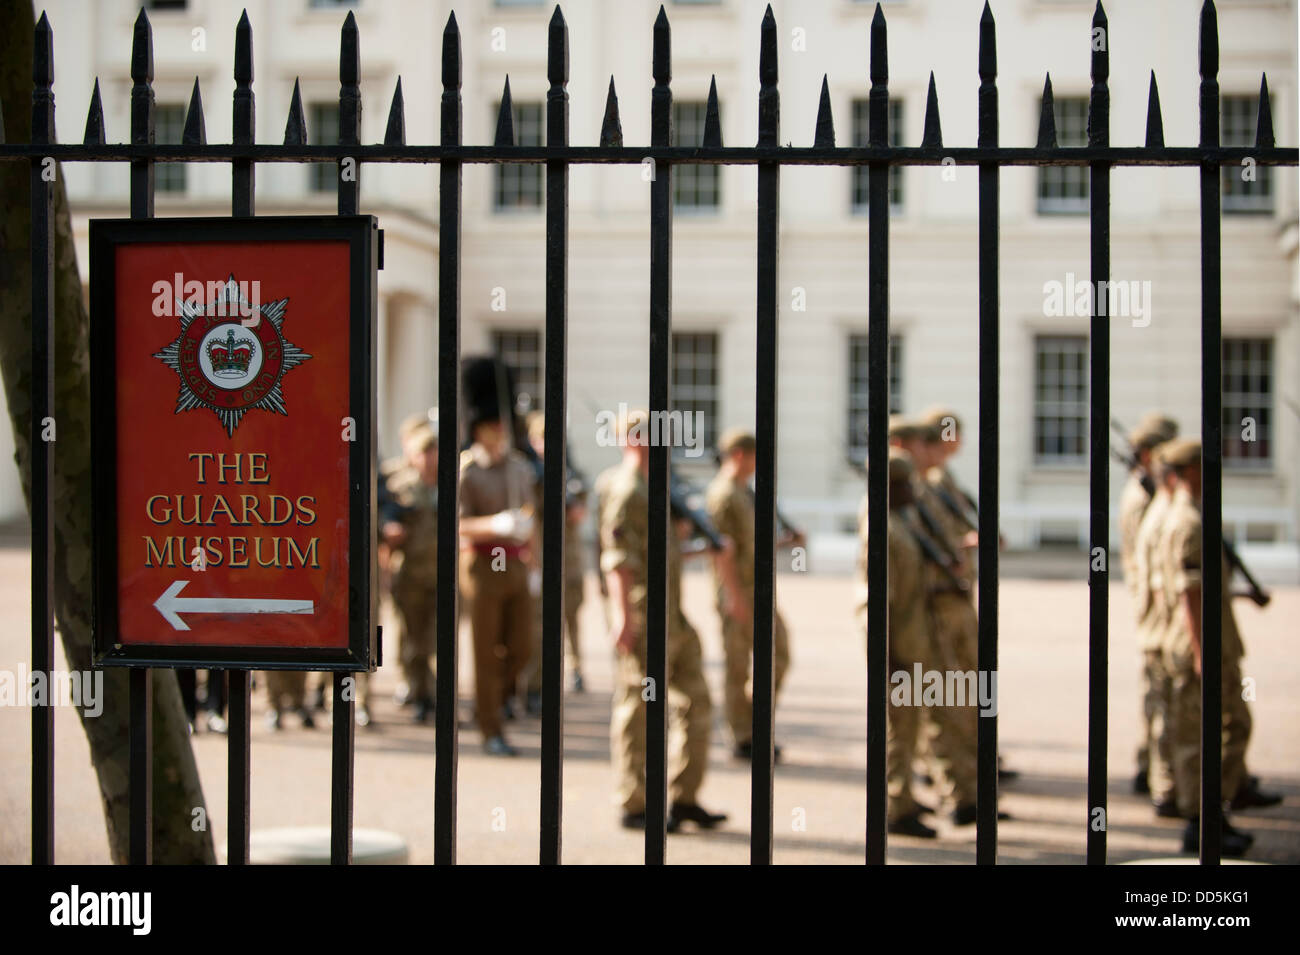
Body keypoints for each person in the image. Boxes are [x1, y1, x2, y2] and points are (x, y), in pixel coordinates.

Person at [601, 409, 727, 832]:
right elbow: (618, 561)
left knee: (696, 701)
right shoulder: (627, 491)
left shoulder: (658, 489)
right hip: (644, 614)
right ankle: (634, 801)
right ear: (633, 441)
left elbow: (664, 552)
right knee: (639, 705)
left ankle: (683, 795)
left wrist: (701, 546)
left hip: (672, 615)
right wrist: (623, 618)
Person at [1157, 437, 1277, 856]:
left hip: (1217, 639)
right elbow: (1190, 594)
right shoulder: (1188, 522)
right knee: (1197, 735)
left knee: (1232, 724)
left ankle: (1216, 809)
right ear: (1190, 471)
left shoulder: (1197, 516)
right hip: (1200, 645)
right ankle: (1200, 820)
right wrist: (1201, 652)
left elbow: (1208, 587)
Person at [857, 448, 977, 838]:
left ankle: (911, 799)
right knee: (900, 731)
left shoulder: (901, 522)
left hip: (919, 641)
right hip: (899, 648)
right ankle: (895, 807)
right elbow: (878, 600)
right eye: (905, 483)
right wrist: (886, 656)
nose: (913, 489)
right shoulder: (883, 529)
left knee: (923, 725)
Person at [458, 357, 538, 756]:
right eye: (494, 424)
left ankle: (501, 696)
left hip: (517, 564)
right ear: (479, 427)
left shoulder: (520, 467)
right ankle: (490, 727)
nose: (501, 430)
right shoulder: (466, 471)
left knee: (523, 647)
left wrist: (531, 553)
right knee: (485, 652)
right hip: (482, 565)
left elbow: (529, 515)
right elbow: (457, 525)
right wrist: (496, 525)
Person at [705, 428, 791, 760]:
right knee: (738, 666)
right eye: (756, 457)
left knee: (778, 656)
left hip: (758, 590)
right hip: (739, 591)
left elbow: (751, 541)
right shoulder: (724, 495)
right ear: (739, 455)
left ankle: (754, 723)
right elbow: (721, 551)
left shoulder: (744, 492)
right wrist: (733, 596)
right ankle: (742, 736)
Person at [1118, 412, 1178, 794]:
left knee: (1160, 689)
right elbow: (1151, 555)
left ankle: (1152, 765)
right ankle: (1163, 777)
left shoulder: (1149, 489)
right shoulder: (1143, 496)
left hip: (1154, 602)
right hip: (1156, 604)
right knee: (1162, 689)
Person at [383, 414, 441, 724]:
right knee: (412, 637)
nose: (429, 459)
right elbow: (387, 523)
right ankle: (418, 691)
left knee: (436, 638)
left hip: (440, 574)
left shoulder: (450, 483)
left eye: (434, 452)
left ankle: (430, 691)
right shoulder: (399, 485)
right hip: (410, 575)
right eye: (424, 452)